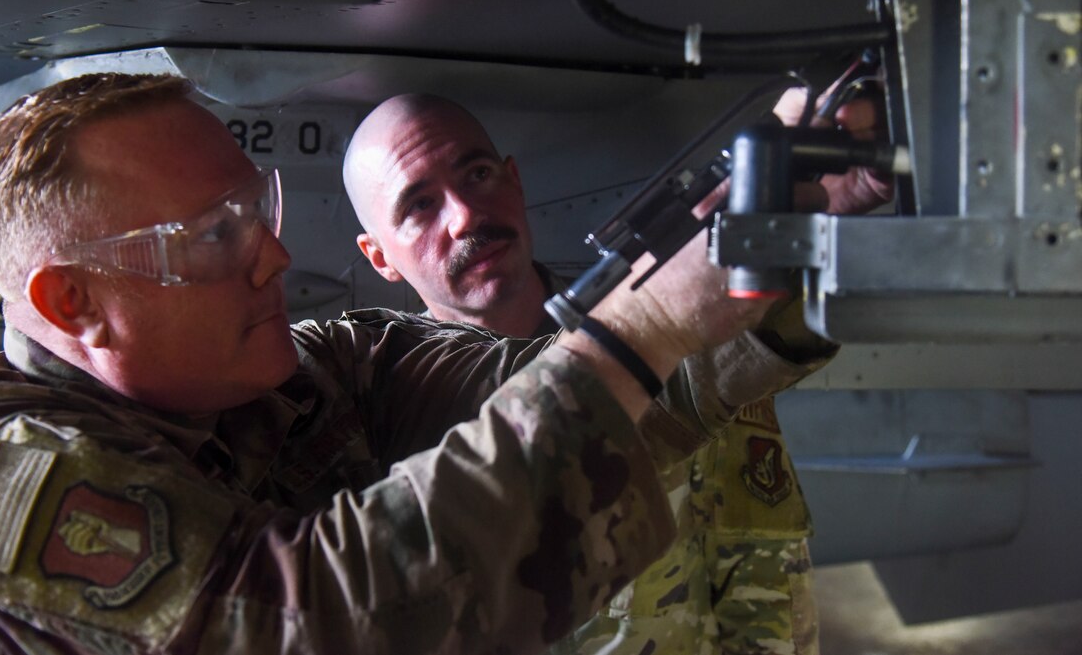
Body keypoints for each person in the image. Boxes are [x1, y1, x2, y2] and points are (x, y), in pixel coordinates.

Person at [0, 73, 798, 655]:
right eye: (213, 235)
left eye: (256, 209)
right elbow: (321, 620)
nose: (273, 257)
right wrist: (646, 327)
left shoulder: (296, 373)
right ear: (72, 303)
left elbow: (567, 392)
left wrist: (789, 244)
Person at [342, 92, 890, 654]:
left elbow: (760, 563)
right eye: (419, 207)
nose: (464, 217)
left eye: (477, 174)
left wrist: (819, 221)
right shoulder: (392, 405)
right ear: (379, 256)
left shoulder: (678, 313)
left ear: (515, 179)